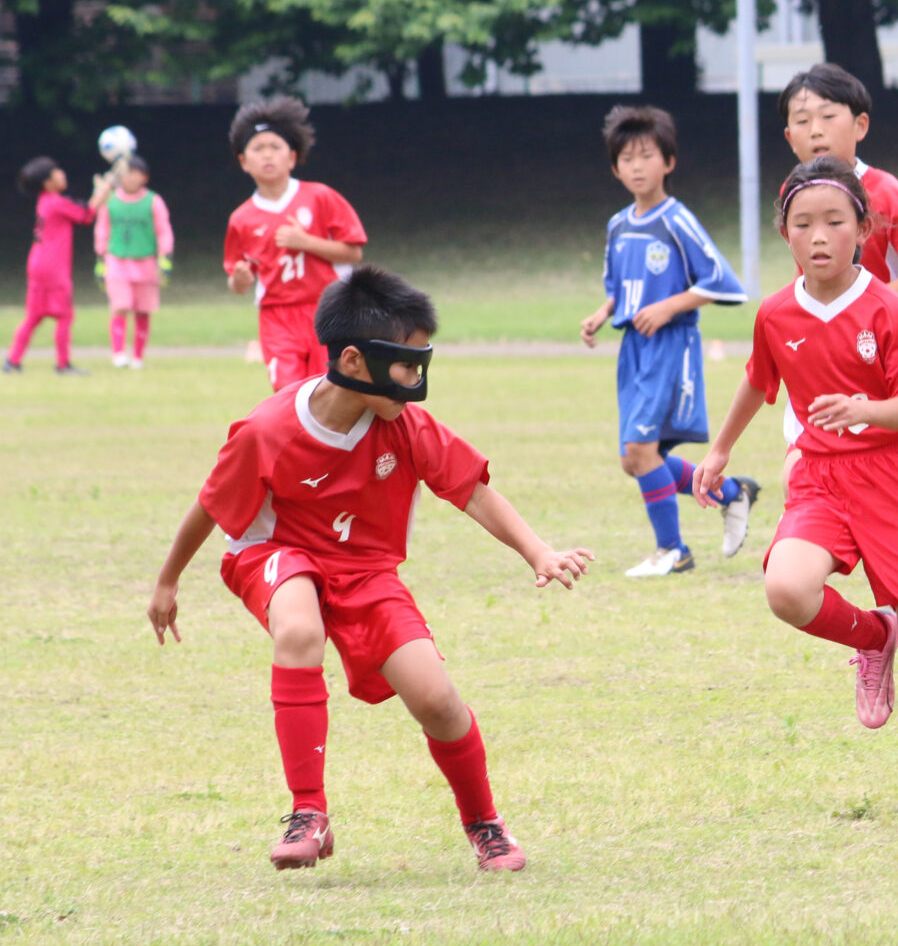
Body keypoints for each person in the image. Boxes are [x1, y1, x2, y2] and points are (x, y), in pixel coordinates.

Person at [147, 264, 592, 873]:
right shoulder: (267, 430)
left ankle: (485, 823)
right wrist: (168, 580)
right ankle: (308, 812)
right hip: (275, 552)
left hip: (366, 571)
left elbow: (472, 491)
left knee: (436, 699)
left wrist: (538, 551)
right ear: (355, 362)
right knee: (299, 629)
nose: (415, 378)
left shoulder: (405, 425)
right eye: (405, 365)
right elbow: (210, 504)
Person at [693, 156, 898, 807]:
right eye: (803, 223)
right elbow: (758, 377)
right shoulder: (776, 314)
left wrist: (863, 411)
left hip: (897, 480)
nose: (819, 236)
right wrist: (719, 450)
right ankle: (872, 636)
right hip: (822, 478)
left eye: (835, 221)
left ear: (862, 228)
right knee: (785, 588)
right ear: (786, 235)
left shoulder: (888, 310)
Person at [777, 62, 898, 700]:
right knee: (814, 498)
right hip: (826, 383)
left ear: (860, 125)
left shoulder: (884, 191)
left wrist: (869, 302)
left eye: (827, 117)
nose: (814, 130)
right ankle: (880, 635)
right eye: (801, 120)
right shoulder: (799, 192)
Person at [580, 104, 758, 576]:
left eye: (647, 155)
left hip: (671, 347)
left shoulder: (677, 219)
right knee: (634, 459)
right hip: (633, 348)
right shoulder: (618, 225)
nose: (637, 166)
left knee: (642, 454)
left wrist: (668, 307)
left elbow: (723, 281)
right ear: (615, 168)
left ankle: (674, 551)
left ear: (669, 161)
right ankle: (731, 491)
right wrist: (602, 314)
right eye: (627, 158)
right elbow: (620, 289)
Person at [224, 95, 366, 392]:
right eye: (258, 148)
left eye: (275, 147)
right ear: (243, 161)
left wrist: (306, 242)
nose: (267, 155)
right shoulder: (241, 218)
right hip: (277, 317)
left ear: (291, 157)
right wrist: (239, 279)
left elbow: (353, 252)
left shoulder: (320, 197)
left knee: (328, 394)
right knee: (288, 396)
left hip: (326, 309)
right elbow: (238, 285)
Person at [4, 157, 111, 375]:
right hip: (52, 266)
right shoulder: (55, 202)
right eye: (57, 172)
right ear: (47, 182)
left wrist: (98, 194)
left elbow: (81, 209)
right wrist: (103, 192)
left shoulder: (46, 201)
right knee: (65, 315)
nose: (62, 174)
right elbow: (87, 215)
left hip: (37, 263)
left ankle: (12, 361)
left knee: (33, 316)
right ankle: (63, 365)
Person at [94, 156, 173, 369]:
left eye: (133, 172)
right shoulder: (109, 201)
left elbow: (163, 230)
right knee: (120, 307)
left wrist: (165, 257)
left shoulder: (153, 201)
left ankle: (138, 356)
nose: (128, 177)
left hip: (146, 263)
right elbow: (102, 229)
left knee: (143, 310)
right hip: (117, 262)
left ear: (144, 177)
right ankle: (118, 354)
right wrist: (101, 257)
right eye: (125, 173)